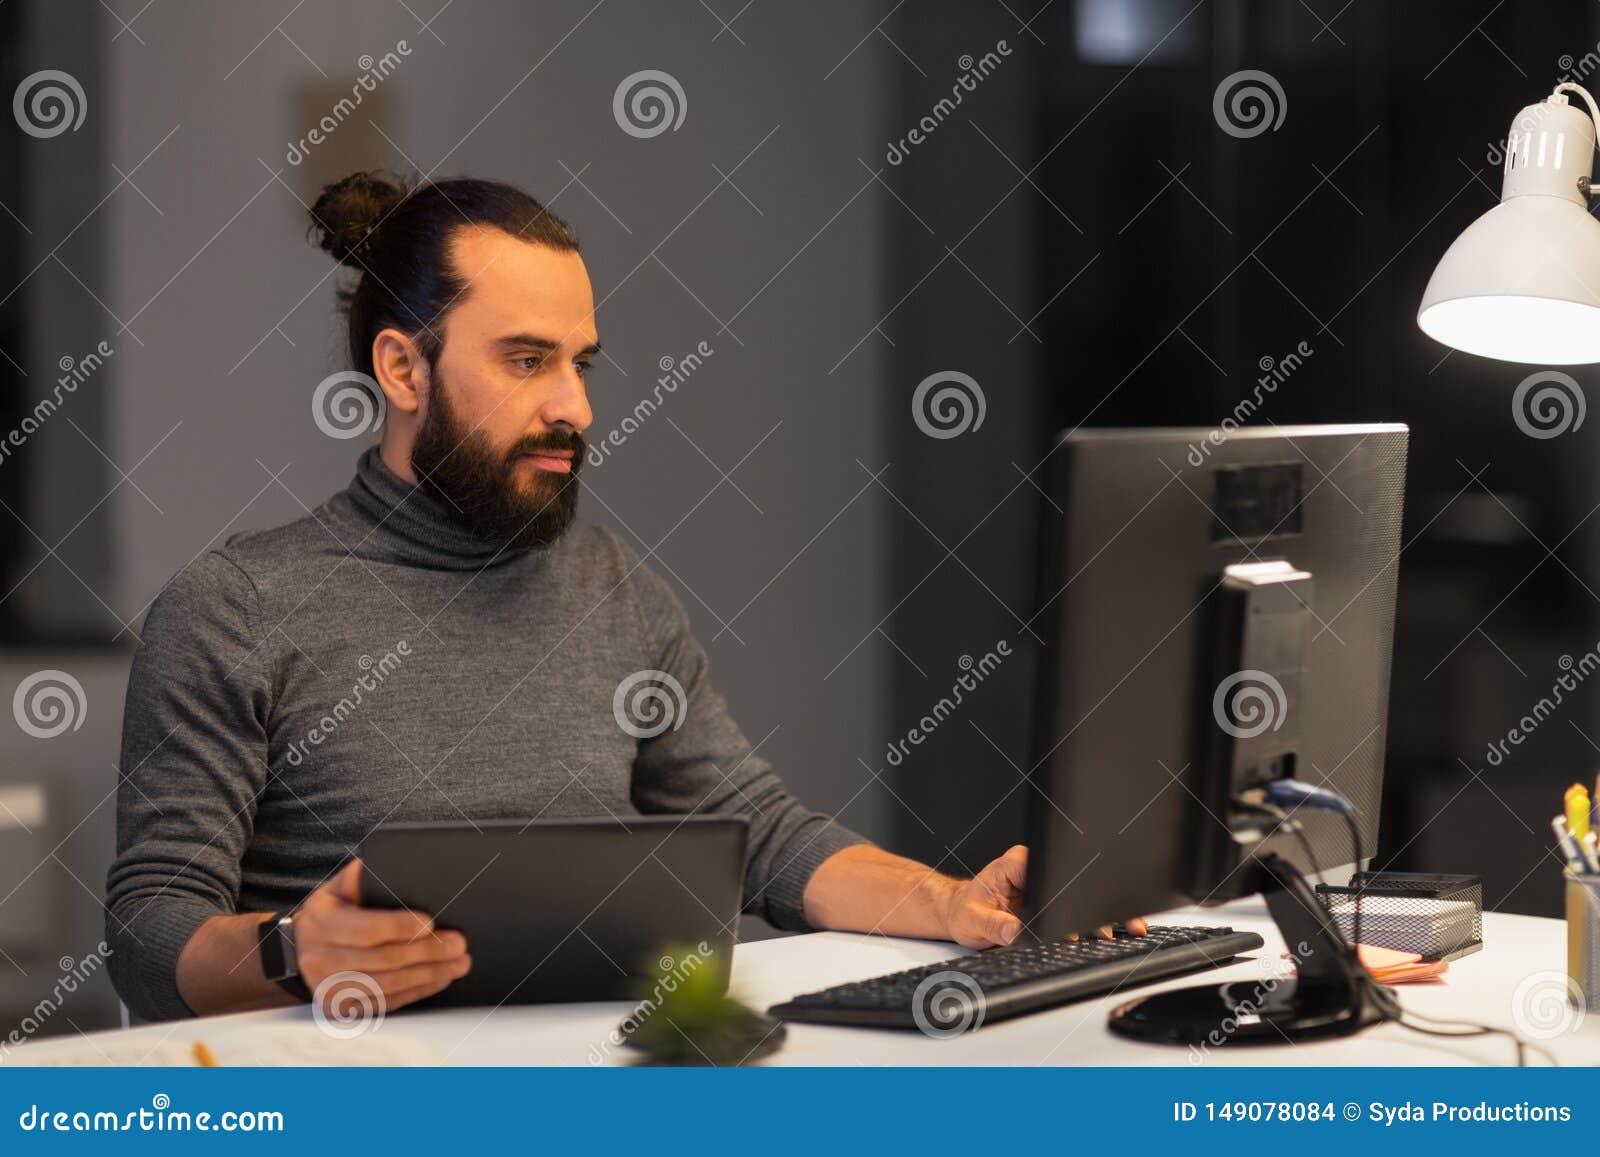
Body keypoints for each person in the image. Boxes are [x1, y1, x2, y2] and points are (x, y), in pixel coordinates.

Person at [104, 172, 1090, 1022]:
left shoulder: (612, 587)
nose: (575, 407)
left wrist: (951, 901)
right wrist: (289, 947)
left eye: (581, 363)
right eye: (526, 359)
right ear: (405, 367)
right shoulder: (234, 606)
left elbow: (762, 833)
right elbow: (150, 932)